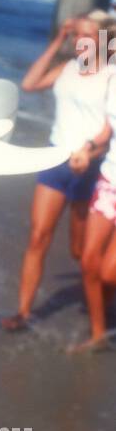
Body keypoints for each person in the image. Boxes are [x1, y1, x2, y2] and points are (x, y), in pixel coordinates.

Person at [0, 13, 114, 335]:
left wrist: (89, 151)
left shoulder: (110, 77)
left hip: (89, 166)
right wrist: (57, 40)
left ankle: (99, 292)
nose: (80, 42)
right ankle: (23, 312)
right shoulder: (67, 69)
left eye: (87, 36)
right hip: (56, 158)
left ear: (103, 40)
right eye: (76, 36)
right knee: (38, 236)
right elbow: (29, 83)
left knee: (79, 250)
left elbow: (110, 129)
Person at [75, 65, 116, 351]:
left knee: (109, 273)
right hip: (109, 180)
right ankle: (98, 334)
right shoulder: (113, 78)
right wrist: (87, 147)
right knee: (89, 261)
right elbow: (107, 128)